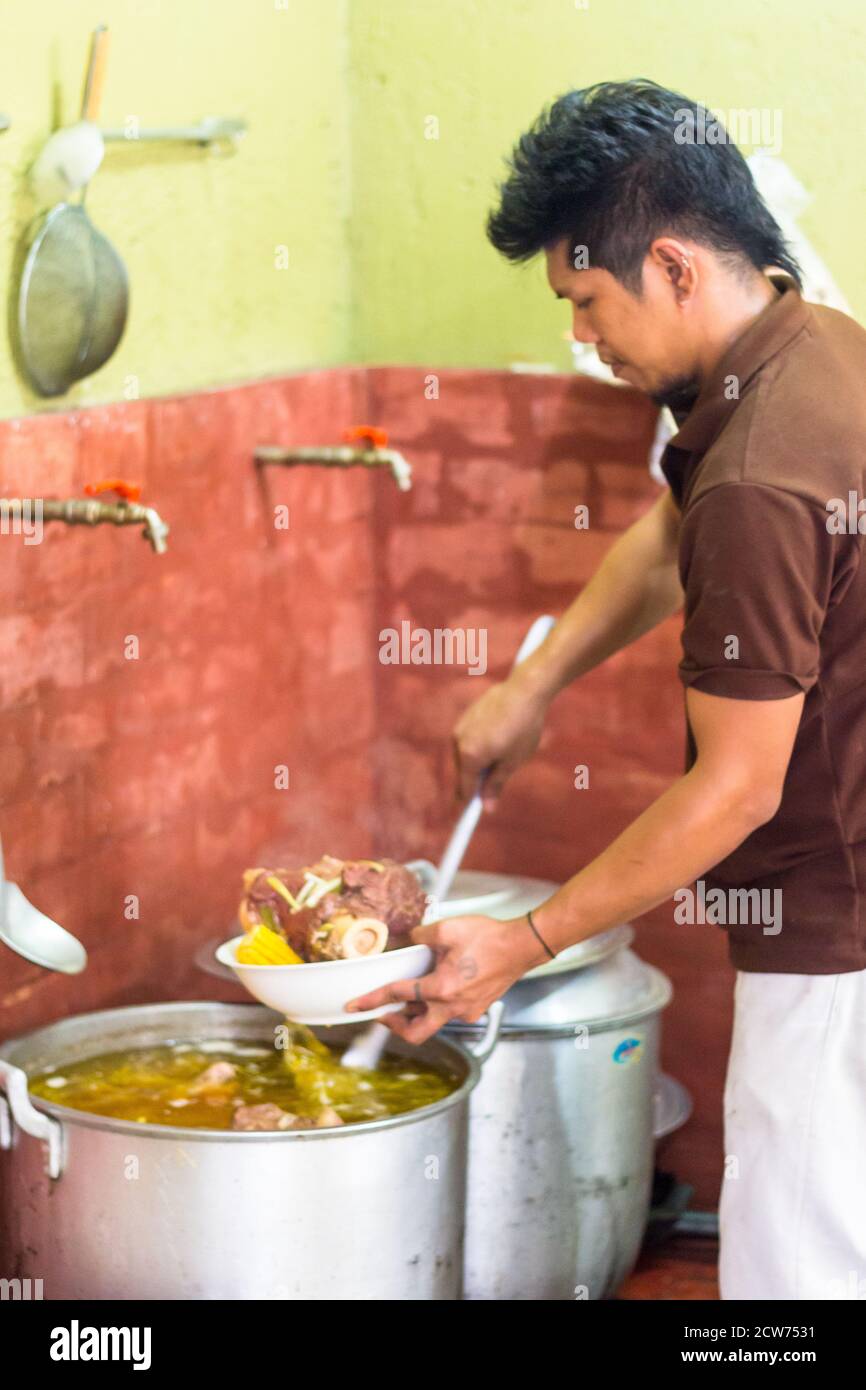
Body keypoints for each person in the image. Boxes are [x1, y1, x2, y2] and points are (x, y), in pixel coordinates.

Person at [348, 80, 866, 1301]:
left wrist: (516, 946)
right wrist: (536, 683)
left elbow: (736, 788)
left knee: (797, 1278)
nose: (582, 336)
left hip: (834, 936)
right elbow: (667, 525)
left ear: (674, 268)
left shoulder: (762, 474)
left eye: (585, 301)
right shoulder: (807, 343)